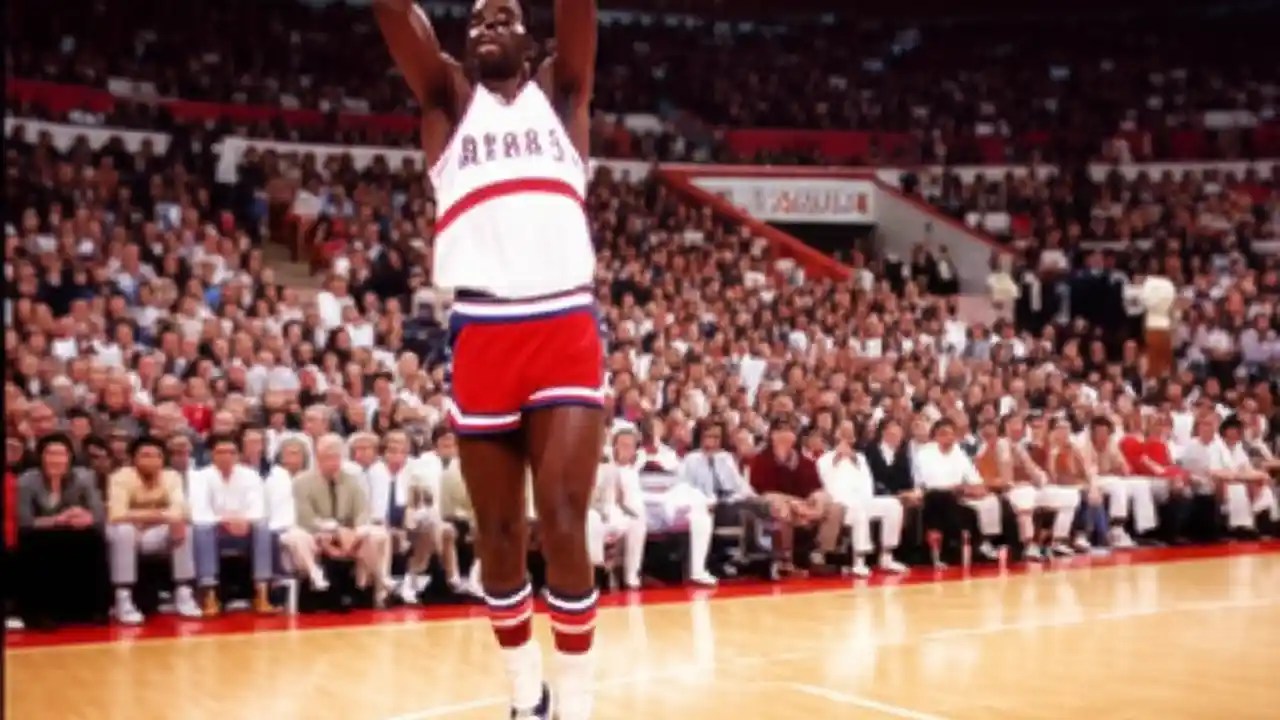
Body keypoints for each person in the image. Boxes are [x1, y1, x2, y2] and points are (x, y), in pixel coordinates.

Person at [375, 1, 601, 716]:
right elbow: (395, 15)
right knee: (498, 536)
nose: (486, 24)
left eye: (503, 15)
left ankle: (578, 704)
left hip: (562, 320)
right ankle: (524, 696)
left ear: (529, 38)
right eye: (474, 19)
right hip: (483, 328)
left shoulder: (561, 96)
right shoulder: (447, 102)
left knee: (563, 519)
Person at [14, 434, 110, 629]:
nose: (56, 460)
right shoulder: (27, 481)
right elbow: (24, 521)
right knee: (37, 543)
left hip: (72, 531)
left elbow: (99, 513)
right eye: (50, 454)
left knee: (93, 538)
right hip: (39, 533)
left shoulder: (84, 476)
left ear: (69, 457)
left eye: (61, 454)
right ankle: (40, 613)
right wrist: (57, 519)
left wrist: (86, 516)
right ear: (41, 457)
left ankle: (92, 609)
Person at [107, 436, 202, 624]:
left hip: (152, 533)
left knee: (183, 526)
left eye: (156, 456)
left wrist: (144, 517)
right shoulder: (120, 477)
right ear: (133, 459)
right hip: (124, 534)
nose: (151, 460)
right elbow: (117, 514)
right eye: (145, 455)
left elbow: (180, 509)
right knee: (124, 530)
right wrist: (159, 515)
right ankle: (123, 598)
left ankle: (183, 592)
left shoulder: (171, 476)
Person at [189, 433, 277, 616]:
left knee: (262, 526)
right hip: (215, 532)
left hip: (245, 531)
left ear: (238, 455)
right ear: (212, 455)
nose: (226, 456)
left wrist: (245, 520)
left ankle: (262, 592)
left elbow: (259, 507)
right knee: (202, 529)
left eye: (231, 452)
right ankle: (209, 594)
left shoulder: (250, 475)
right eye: (221, 452)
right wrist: (226, 521)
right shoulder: (199, 477)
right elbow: (199, 512)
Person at [816, 421, 908, 577]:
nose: (846, 436)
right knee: (859, 509)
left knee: (894, 505)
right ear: (836, 435)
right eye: (843, 432)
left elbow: (868, 484)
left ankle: (887, 555)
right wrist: (838, 457)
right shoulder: (824, 459)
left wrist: (854, 460)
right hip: (843, 504)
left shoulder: (860, 458)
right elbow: (827, 482)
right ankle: (859, 560)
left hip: (864, 500)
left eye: (850, 433)